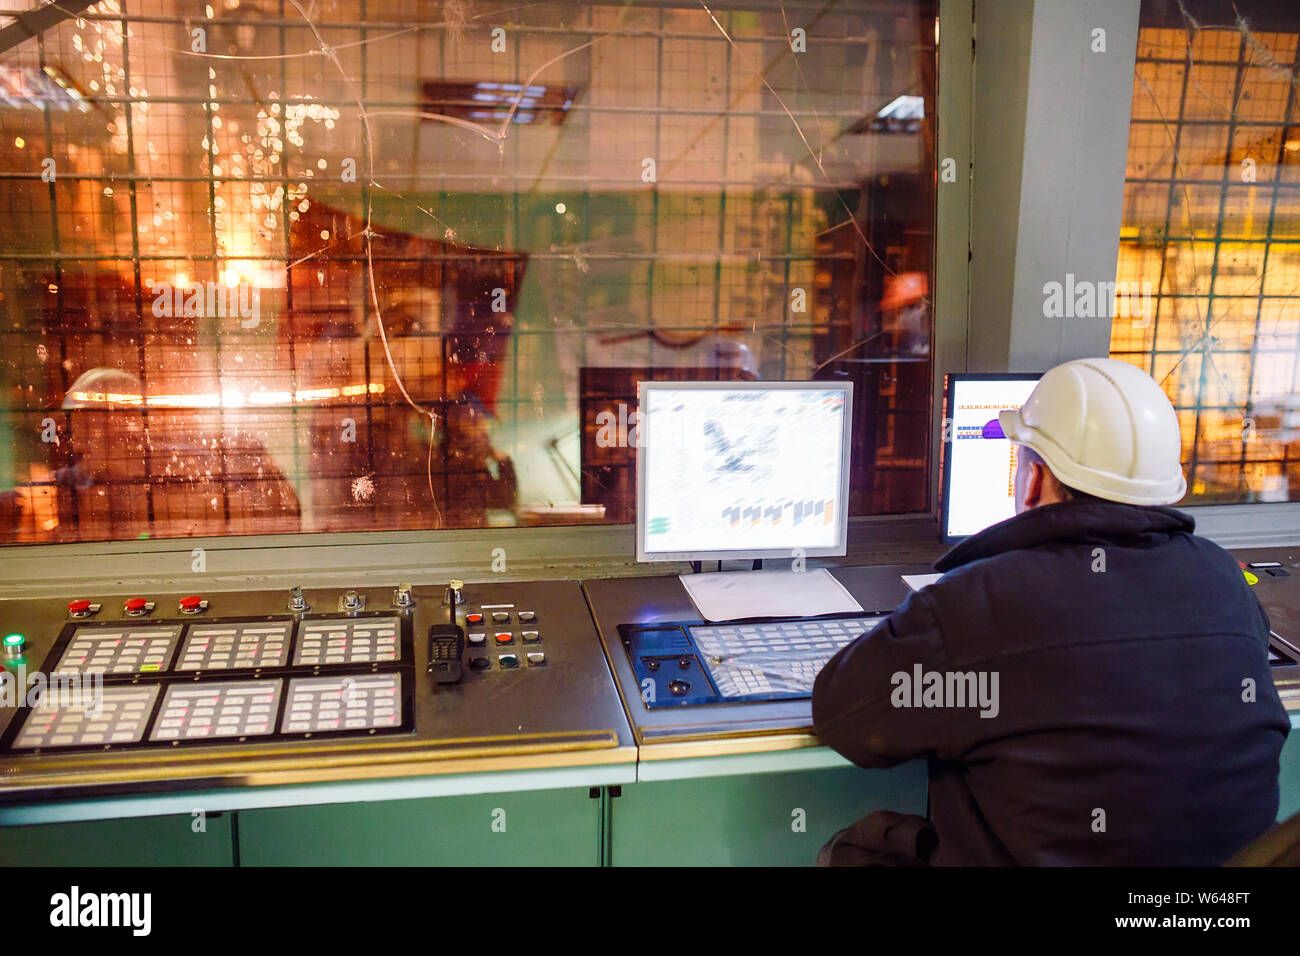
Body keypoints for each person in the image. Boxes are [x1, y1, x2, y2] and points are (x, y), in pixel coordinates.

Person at [812, 357, 1291, 865]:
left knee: (857, 849)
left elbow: (844, 717)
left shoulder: (977, 604)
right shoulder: (1226, 582)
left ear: (1034, 479)